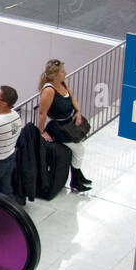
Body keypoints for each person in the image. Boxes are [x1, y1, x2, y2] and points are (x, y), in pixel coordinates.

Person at [36, 60, 92, 192]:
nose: (65, 73)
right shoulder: (49, 90)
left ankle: (78, 176)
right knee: (79, 150)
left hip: (69, 124)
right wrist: (41, 131)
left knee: (77, 150)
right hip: (58, 127)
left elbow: (73, 99)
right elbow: (42, 113)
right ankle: (76, 180)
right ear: (54, 75)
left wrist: (78, 112)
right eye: (62, 71)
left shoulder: (63, 85)